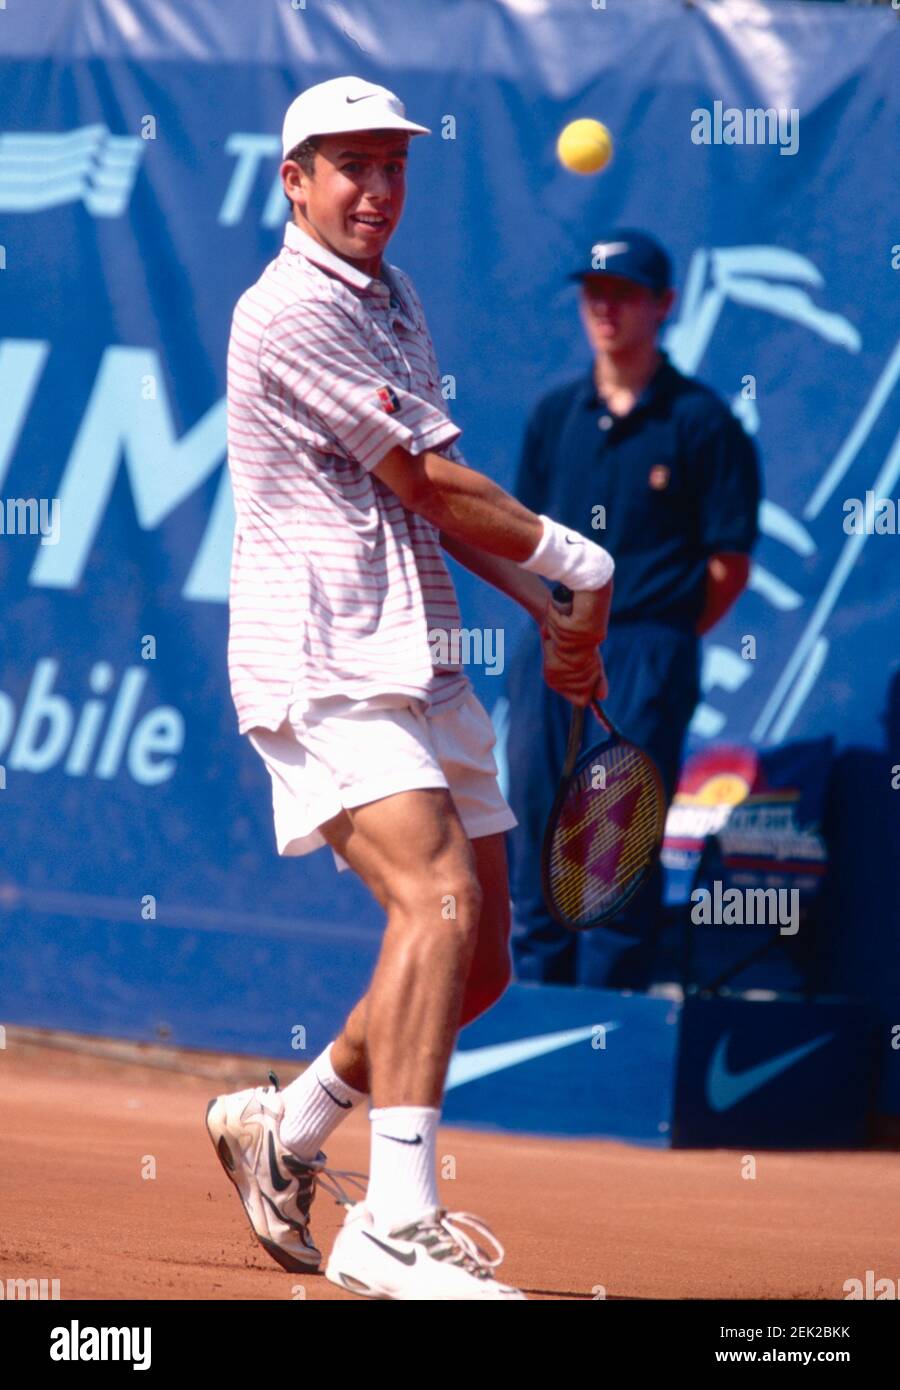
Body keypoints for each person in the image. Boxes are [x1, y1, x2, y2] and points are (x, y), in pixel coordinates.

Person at [207, 75, 615, 1301]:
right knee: (433, 897)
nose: (378, 189)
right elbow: (437, 483)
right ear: (295, 181)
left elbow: (413, 498)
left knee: (476, 957)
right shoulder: (287, 308)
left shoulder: (395, 301)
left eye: (393, 166)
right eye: (350, 166)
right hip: (320, 658)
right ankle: (393, 1222)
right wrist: (572, 559)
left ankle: (282, 1130)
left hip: (415, 651)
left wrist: (545, 606)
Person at [506, 229, 761, 989]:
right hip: (552, 652)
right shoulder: (557, 414)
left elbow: (727, 565)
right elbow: (522, 537)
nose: (605, 308)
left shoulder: (703, 423)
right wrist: (565, 636)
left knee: (611, 859)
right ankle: (530, 1054)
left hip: (647, 653)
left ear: (665, 306)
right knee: (537, 845)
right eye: (593, 293)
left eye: (624, 294)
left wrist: (656, 640)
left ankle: (605, 1057)